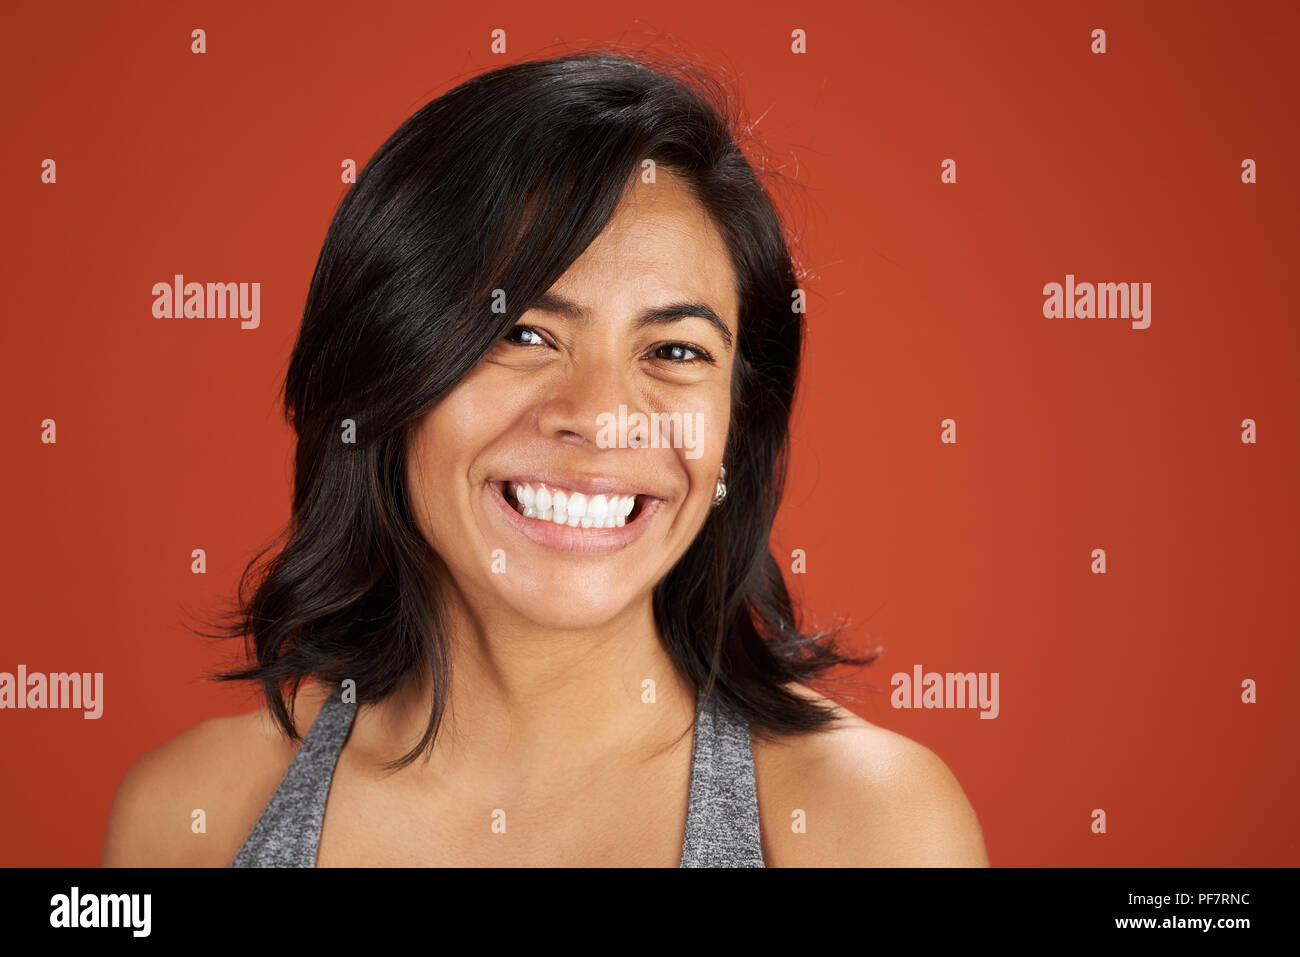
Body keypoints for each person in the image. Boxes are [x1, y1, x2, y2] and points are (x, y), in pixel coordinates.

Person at [102, 49, 988, 867]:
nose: (602, 419)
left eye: (675, 351)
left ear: (736, 426)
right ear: (389, 368)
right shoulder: (192, 816)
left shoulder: (874, 826)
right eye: (522, 332)